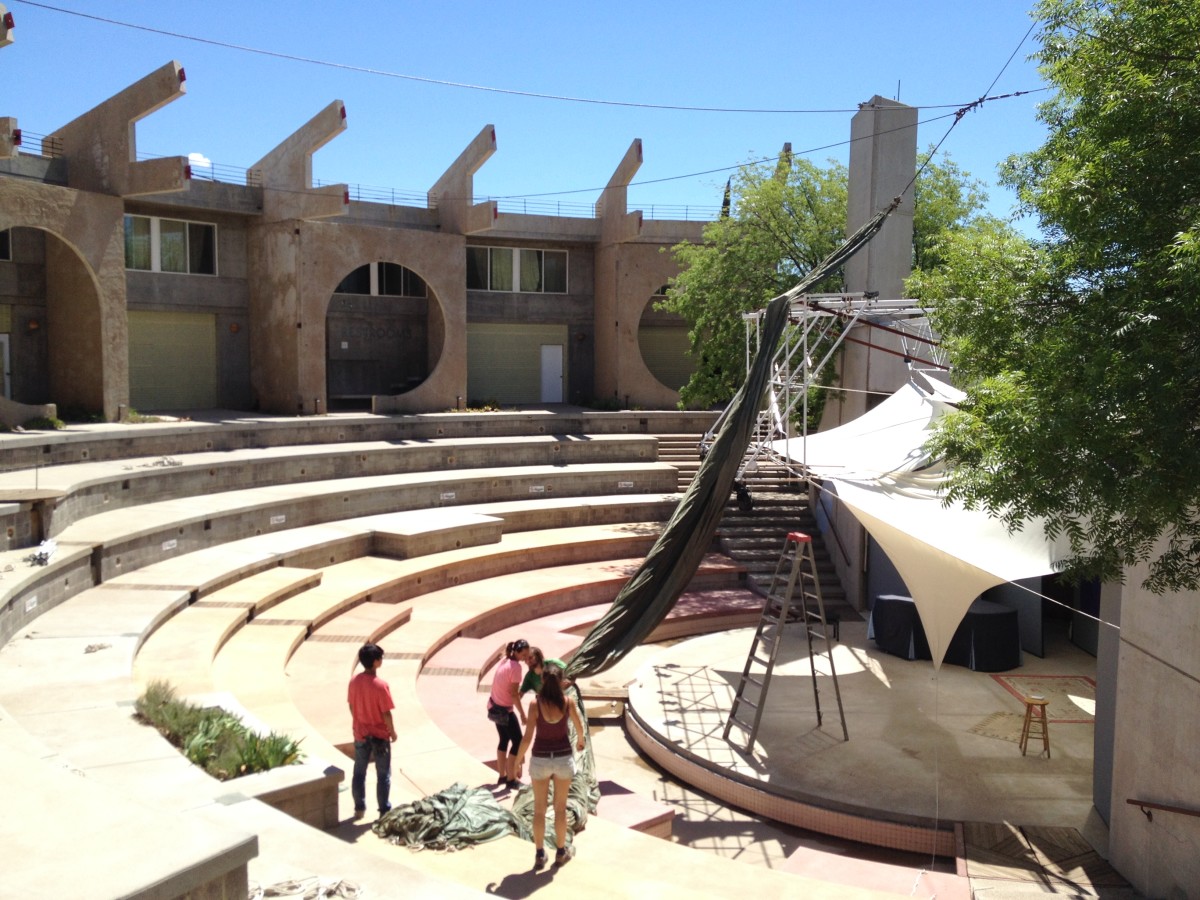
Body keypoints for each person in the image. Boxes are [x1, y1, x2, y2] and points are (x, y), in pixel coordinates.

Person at [515, 662, 586, 869]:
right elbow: (579, 728)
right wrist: (580, 741)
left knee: (538, 810)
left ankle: (539, 854)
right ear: (562, 682)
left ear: (542, 681)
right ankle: (561, 852)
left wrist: (519, 758)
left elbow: (528, 737)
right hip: (563, 759)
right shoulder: (568, 702)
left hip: (540, 760)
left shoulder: (535, 704)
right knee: (561, 809)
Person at [347, 642, 397, 819]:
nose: (381, 660)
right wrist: (393, 732)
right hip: (380, 736)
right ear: (375, 662)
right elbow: (386, 714)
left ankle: (359, 807)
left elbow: (351, 706)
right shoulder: (380, 685)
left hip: (360, 733)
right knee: (383, 774)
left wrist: (358, 721)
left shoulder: (354, 681)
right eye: (380, 658)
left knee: (359, 772)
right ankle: (384, 809)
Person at [488, 638, 529, 790]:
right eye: (523, 654)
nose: (525, 658)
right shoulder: (516, 667)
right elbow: (514, 694)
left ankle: (502, 776)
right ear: (517, 652)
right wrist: (523, 714)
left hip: (493, 706)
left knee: (504, 739)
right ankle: (511, 779)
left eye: (527, 655)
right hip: (505, 710)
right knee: (518, 742)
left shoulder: (505, 660)